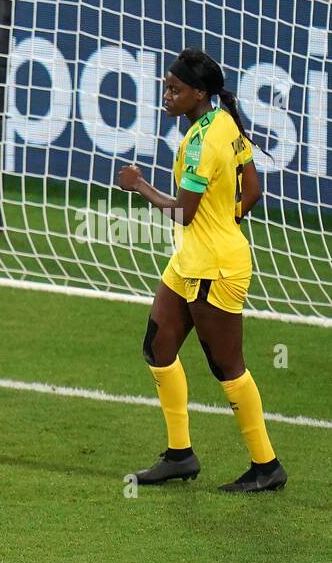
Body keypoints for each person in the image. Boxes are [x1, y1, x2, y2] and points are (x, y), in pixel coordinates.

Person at [117, 48, 285, 492]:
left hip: (215, 268)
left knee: (227, 367)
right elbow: (251, 190)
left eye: (175, 90)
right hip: (190, 261)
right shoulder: (223, 122)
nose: (166, 96)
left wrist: (139, 187)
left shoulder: (202, 143)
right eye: (166, 87)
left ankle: (267, 466)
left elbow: (184, 214)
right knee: (159, 347)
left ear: (199, 93)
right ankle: (179, 455)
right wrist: (223, 222)